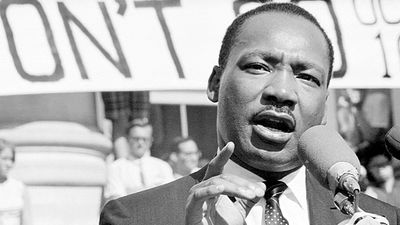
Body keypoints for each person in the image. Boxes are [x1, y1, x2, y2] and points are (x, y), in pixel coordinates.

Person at [100, 3, 400, 225]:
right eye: (258, 66)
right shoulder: (134, 217)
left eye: (307, 77)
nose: (282, 91)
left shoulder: (382, 218)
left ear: (324, 106)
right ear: (215, 83)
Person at [104, 119, 174, 201]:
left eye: (145, 139)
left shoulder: (162, 166)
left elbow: (170, 195)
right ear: (127, 139)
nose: (140, 143)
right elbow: (117, 200)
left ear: (151, 141)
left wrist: (133, 192)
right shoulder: (115, 168)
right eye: (136, 139)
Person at [0, 139, 31, 225]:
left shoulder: (19, 187)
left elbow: (26, 221)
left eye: (11, 159)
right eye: (4, 159)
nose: (9, 164)